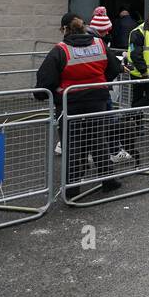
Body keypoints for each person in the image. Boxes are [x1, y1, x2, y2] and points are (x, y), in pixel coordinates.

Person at [34, 13, 124, 197]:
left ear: (64, 29)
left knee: (72, 144)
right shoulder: (99, 44)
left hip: (70, 103)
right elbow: (114, 68)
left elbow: (45, 80)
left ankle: (72, 189)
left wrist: (41, 94)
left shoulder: (60, 50)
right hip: (97, 100)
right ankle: (108, 181)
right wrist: (99, 82)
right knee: (99, 140)